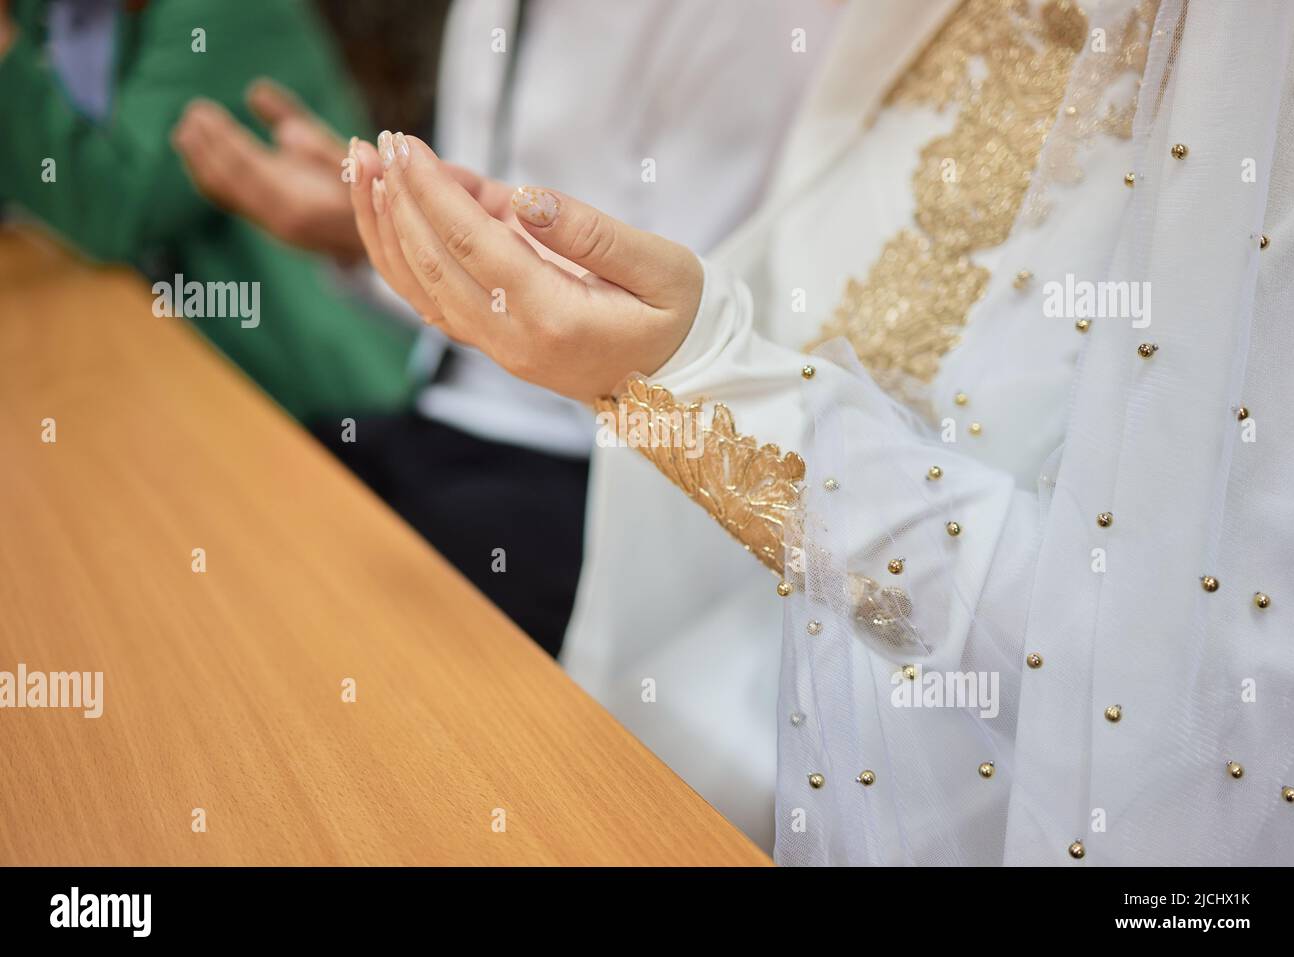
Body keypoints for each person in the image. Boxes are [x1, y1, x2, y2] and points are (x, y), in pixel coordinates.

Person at [346, 0, 1294, 865]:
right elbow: (791, 316)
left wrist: (692, 385)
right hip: (682, 689)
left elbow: (1160, 715)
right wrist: (581, 306)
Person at [170, 0, 838, 839]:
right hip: (442, 411)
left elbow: (680, 337)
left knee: (334, 703)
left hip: (591, 469)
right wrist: (363, 230)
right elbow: (489, 280)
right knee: (216, 527)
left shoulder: (744, 24)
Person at [0, 0, 414, 423]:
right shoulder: (54, 13)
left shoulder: (223, 9)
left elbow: (118, 210)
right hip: (194, 363)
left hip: (324, 390)